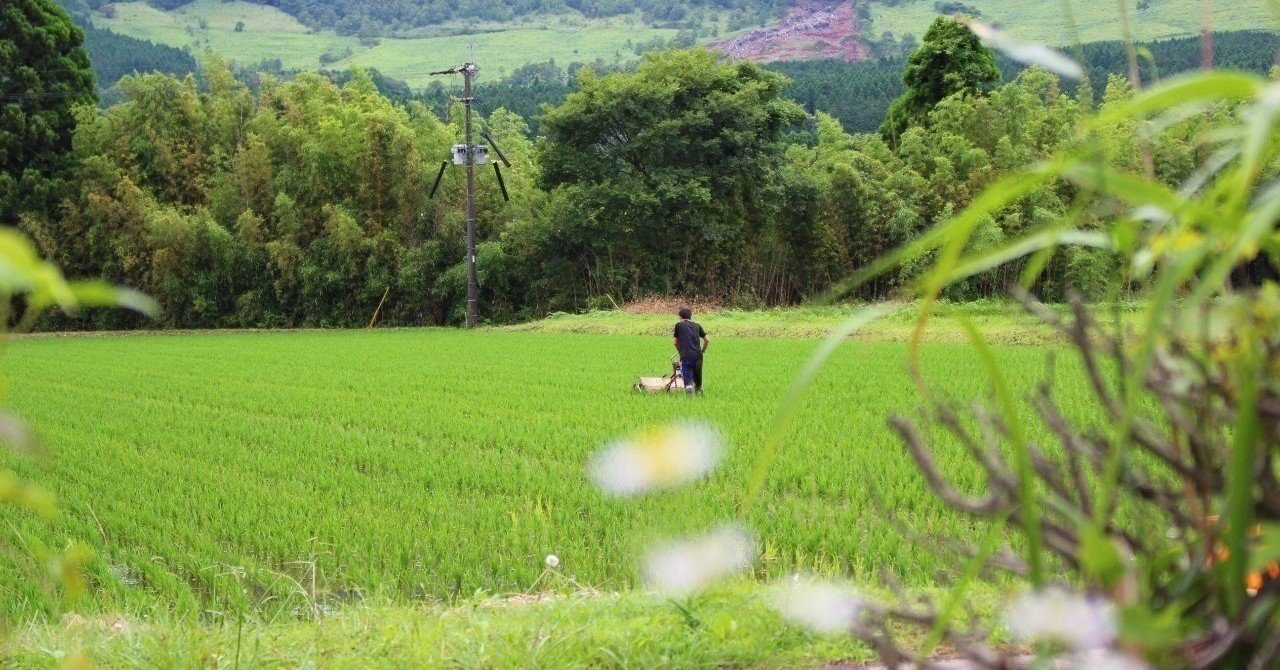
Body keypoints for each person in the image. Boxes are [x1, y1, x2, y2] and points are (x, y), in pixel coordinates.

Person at [673, 306, 709, 395]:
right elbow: (707, 340)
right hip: (698, 356)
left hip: (686, 355)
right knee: (698, 380)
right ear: (690, 316)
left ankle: (689, 396)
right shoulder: (697, 325)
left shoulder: (679, 325)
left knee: (688, 382)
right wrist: (703, 351)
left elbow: (675, 343)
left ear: (680, 317)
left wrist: (681, 352)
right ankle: (699, 393)